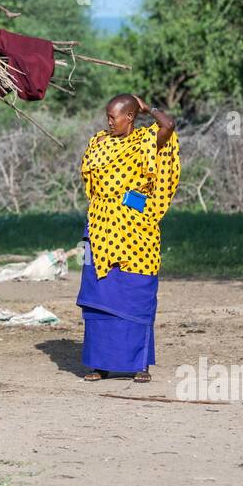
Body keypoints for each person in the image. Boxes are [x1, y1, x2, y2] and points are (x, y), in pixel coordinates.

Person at [77, 94, 180, 382]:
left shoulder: (147, 140)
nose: (109, 122)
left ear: (130, 117)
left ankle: (140, 365)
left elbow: (169, 126)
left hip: (137, 231)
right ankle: (100, 364)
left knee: (137, 294)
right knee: (100, 296)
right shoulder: (100, 143)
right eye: (107, 117)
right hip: (100, 227)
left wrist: (149, 108)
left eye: (114, 117)